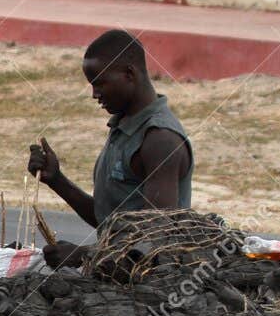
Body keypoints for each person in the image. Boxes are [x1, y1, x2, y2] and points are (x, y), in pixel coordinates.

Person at [27, 29, 193, 267]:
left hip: (153, 288)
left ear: (129, 74)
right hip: (115, 275)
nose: (95, 94)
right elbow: (109, 221)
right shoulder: (124, 127)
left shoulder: (160, 139)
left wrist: (82, 255)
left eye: (100, 83)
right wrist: (56, 180)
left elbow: (154, 239)